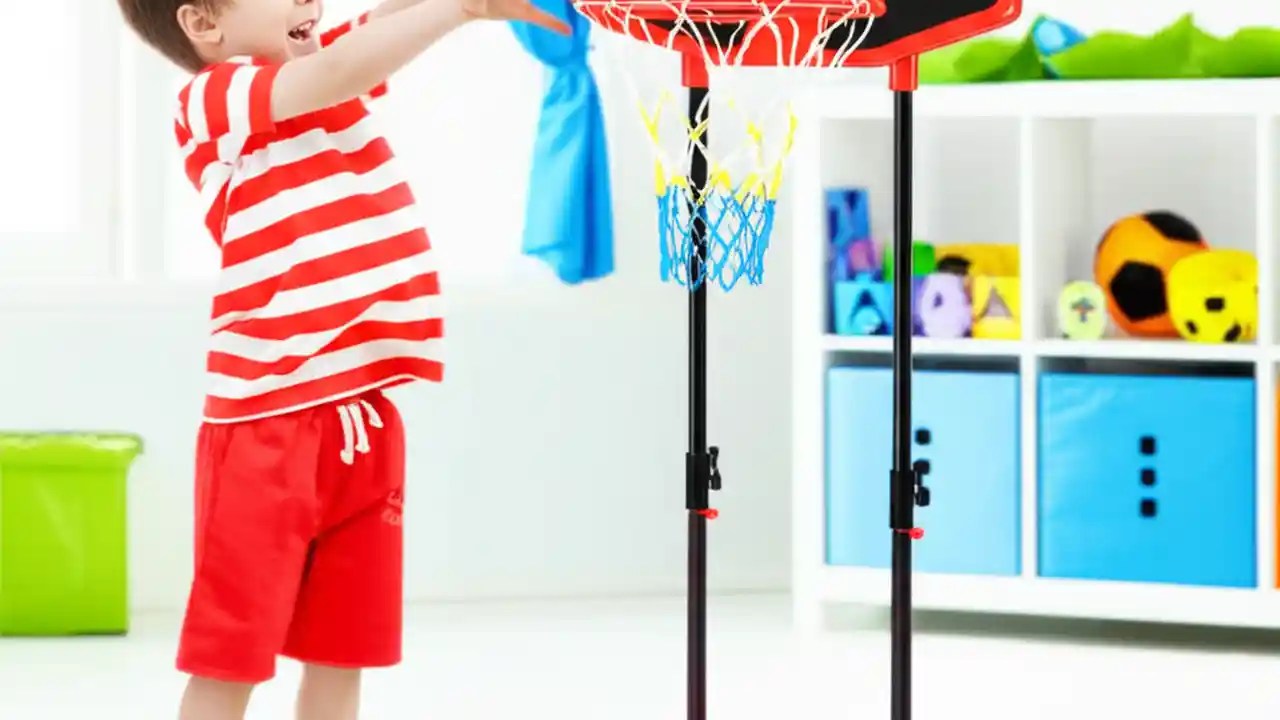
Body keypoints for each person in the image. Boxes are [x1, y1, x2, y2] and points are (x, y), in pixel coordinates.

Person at [115, 1, 570, 718]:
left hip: (363, 417)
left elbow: (380, 28)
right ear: (205, 24)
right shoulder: (216, 96)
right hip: (268, 423)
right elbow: (338, 66)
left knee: (343, 652)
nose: (310, 1)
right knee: (232, 657)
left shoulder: (321, 77)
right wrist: (467, 9)